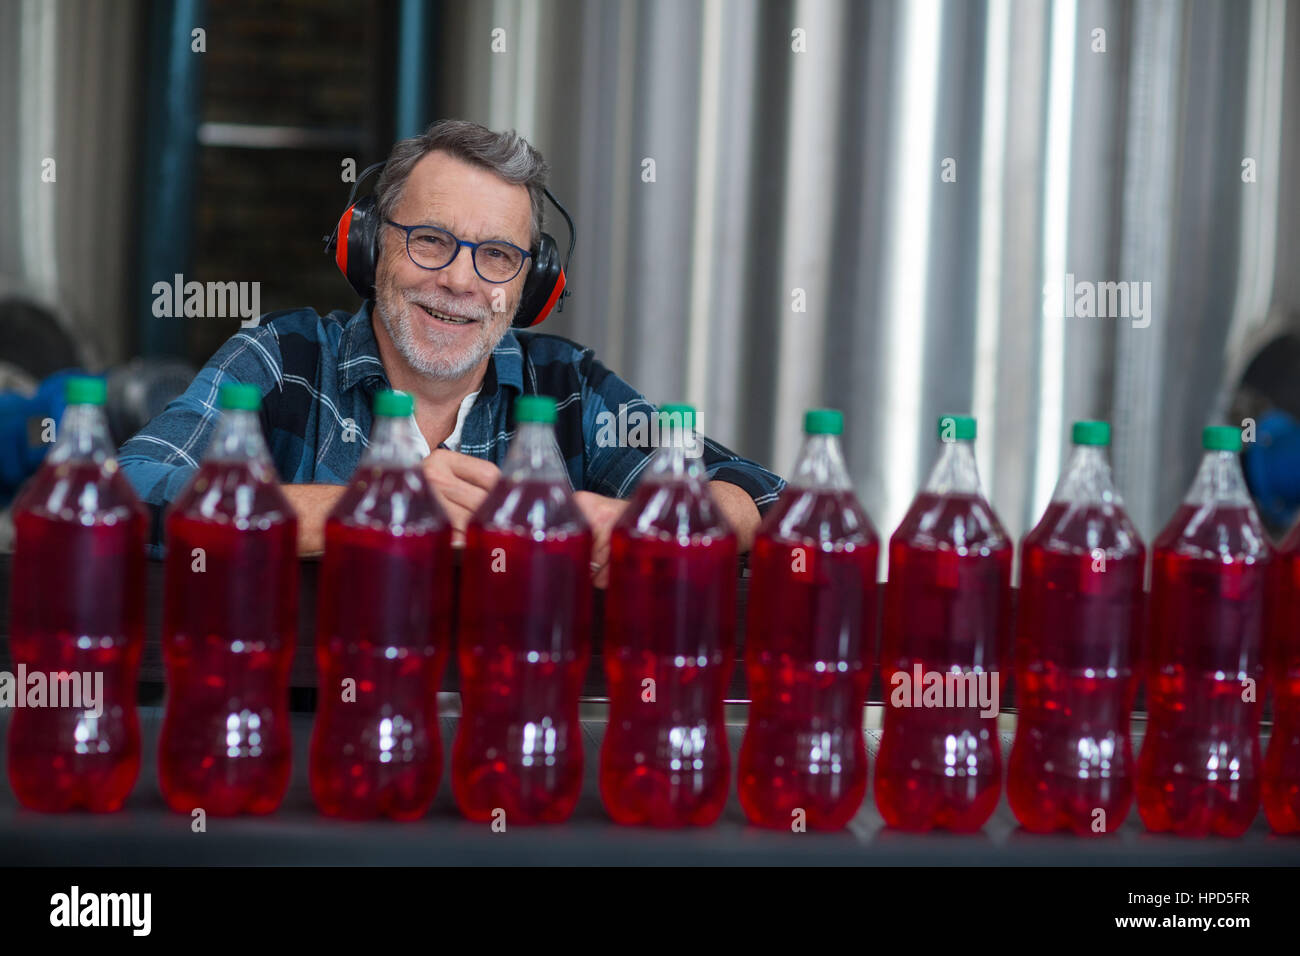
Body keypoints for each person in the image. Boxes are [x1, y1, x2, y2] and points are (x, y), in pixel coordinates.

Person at [118, 119, 785, 586]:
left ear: (533, 286)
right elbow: (127, 495)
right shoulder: (281, 359)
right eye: (431, 240)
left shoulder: (569, 388)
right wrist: (378, 506)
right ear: (371, 247)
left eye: (497, 256)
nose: (461, 282)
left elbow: (773, 501)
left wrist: (658, 521)